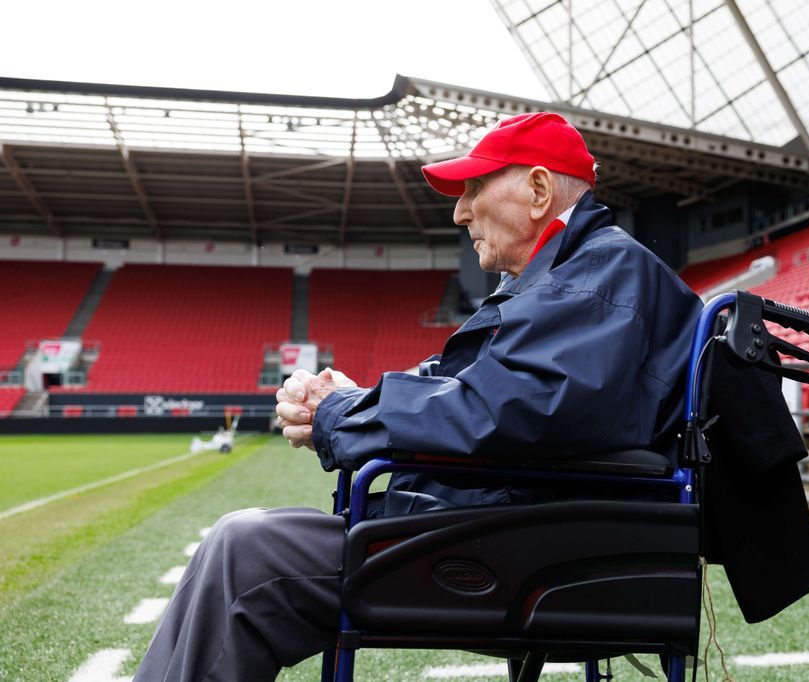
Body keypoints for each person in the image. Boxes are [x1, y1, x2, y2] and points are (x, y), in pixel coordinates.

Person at [135, 112, 702, 681]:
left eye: (475, 188)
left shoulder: (598, 278)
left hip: (537, 549)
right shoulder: (581, 274)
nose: (460, 212)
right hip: (525, 529)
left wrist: (341, 416)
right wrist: (351, 399)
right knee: (237, 544)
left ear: (538, 190)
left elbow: (497, 410)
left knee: (245, 551)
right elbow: (476, 387)